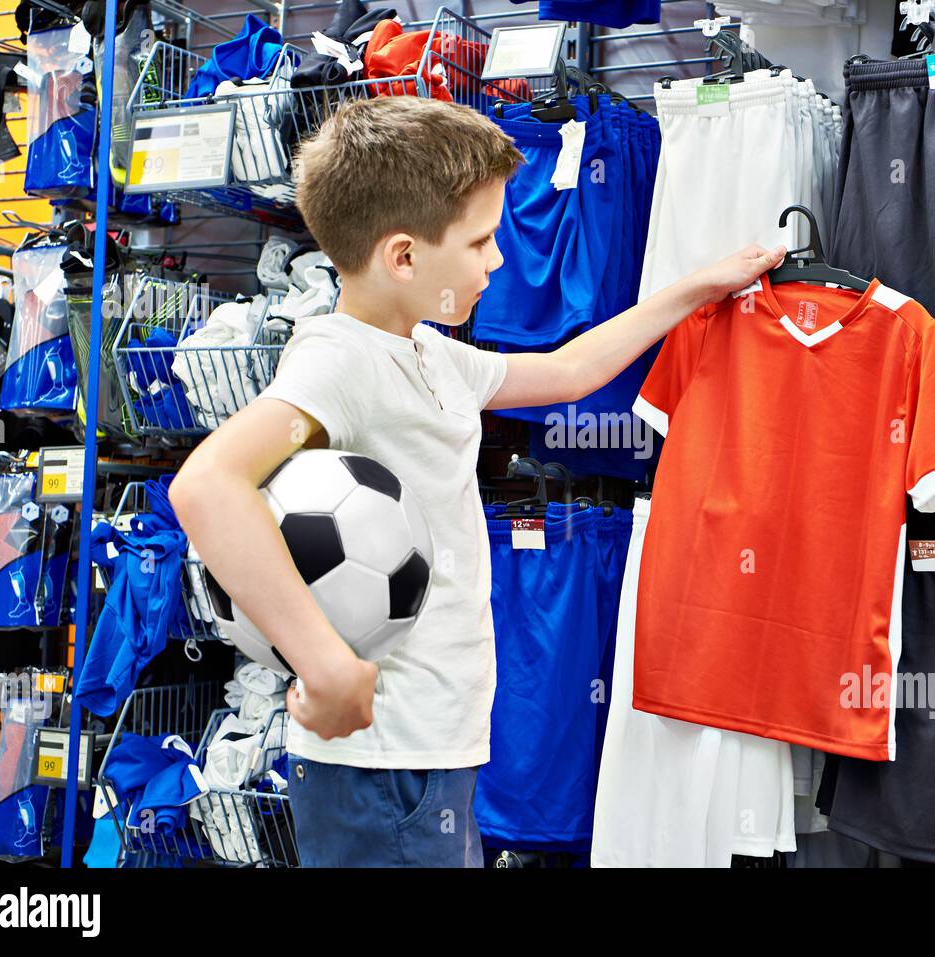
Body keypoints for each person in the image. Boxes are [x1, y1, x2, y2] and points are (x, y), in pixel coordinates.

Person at [169, 96, 785, 867]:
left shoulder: (426, 352)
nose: (497, 259)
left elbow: (568, 369)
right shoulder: (342, 360)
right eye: (482, 240)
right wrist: (323, 662)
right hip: (381, 766)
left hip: (434, 752)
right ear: (404, 257)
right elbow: (208, 485)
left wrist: (698, 287)